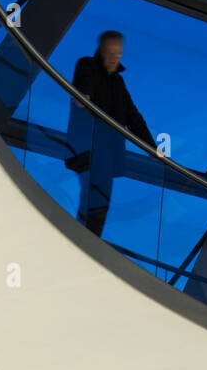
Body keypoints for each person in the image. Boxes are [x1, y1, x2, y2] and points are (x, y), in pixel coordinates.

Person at [66, 30, 155, 237]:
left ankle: (86, 240)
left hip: (105, 154)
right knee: (95, 199)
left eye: (119, 54)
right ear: (100, 50)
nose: (115, 59)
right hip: (88, 149)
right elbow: (84, 83)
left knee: (99, 202)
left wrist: (152, 148)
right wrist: (83, 95)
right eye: (111, 53)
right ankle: (83, 240)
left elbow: (133, 116)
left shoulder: (118, 83)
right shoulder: (87, 65)